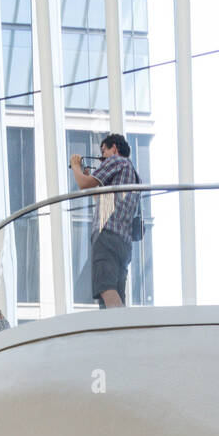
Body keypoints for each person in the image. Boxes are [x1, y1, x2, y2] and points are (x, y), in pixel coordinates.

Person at [69, 132, 139, 308]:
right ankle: (119, 328)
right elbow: (101, 201)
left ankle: (120, 330)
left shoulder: (116, 161)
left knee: (105, 286)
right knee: (115, 292)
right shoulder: (133, 174)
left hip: (106, 234)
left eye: (103, 151)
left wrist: (75, 166)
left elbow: (83, 184)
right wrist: (87, 176)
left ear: (114, 148)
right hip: (123, 241)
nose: (102, 157)